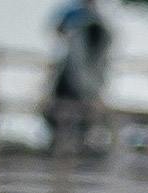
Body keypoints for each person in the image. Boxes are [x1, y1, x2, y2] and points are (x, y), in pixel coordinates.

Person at [46, 1, 113, 155]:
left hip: (88, 80)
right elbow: (58, 30)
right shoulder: (74, 13)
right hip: (70, 78)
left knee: (84, 118)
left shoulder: (97, 21)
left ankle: (77, 146)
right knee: (61, 112)